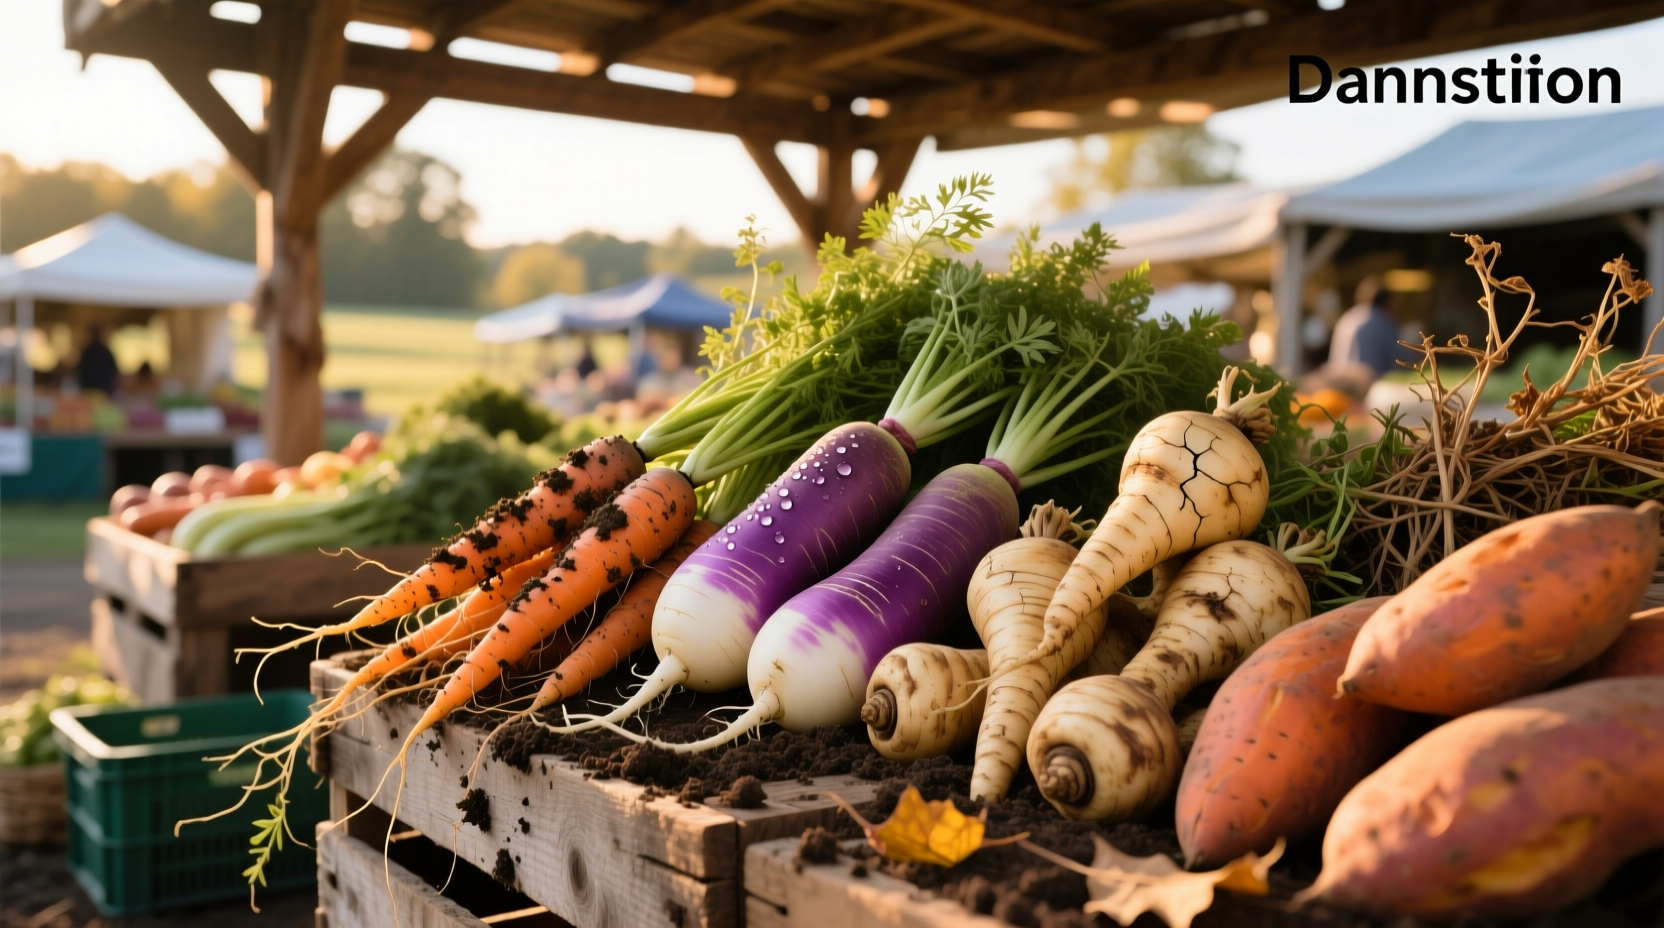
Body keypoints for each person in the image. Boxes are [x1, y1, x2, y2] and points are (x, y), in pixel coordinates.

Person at [1327, 277, 1402, 379]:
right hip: (1368, 388)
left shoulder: (1346, 318)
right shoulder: (1382, 321)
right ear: (1387, 302)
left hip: (1338, 386)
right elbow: (1399, 361)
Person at [77, 325, 119, 396]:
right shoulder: (104, 351)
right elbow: (113, 372)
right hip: (103, 391)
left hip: (88, 390)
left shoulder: (87, 351)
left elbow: (79, 370)